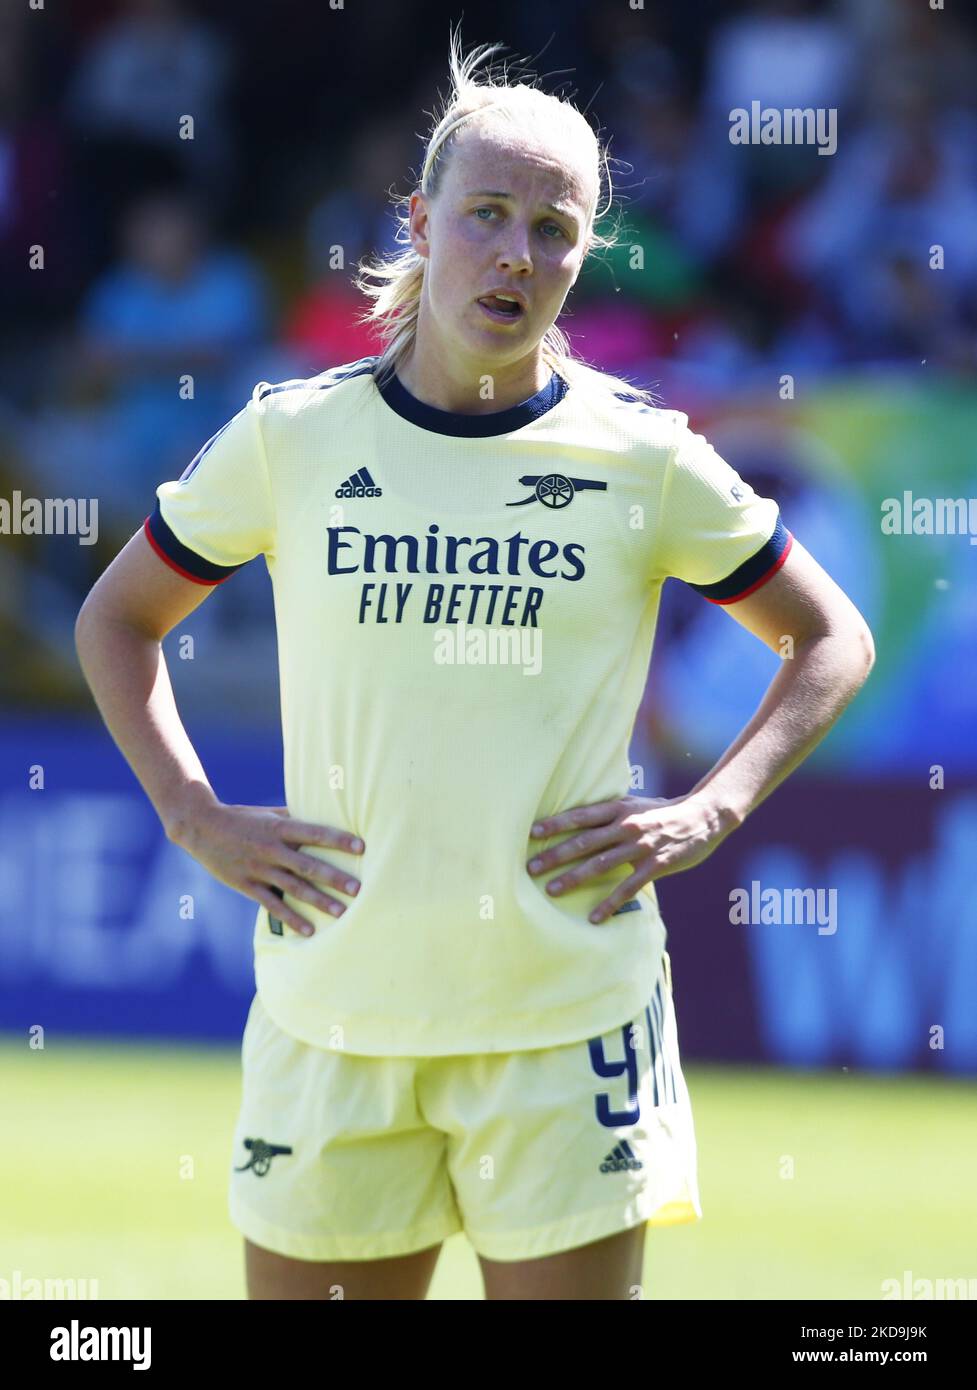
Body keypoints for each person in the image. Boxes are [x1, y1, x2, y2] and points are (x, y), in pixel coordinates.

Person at [74, 34, 875, 1301]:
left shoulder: (642, 456)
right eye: (486, 214)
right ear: (418, 220)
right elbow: (117, 619)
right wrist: (191, 812)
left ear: (584, 255)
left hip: (568, 1027)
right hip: (332, 1021)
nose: (515, 254)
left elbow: (830, 637)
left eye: (553, 230)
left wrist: (712, 806)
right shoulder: (293, 438)